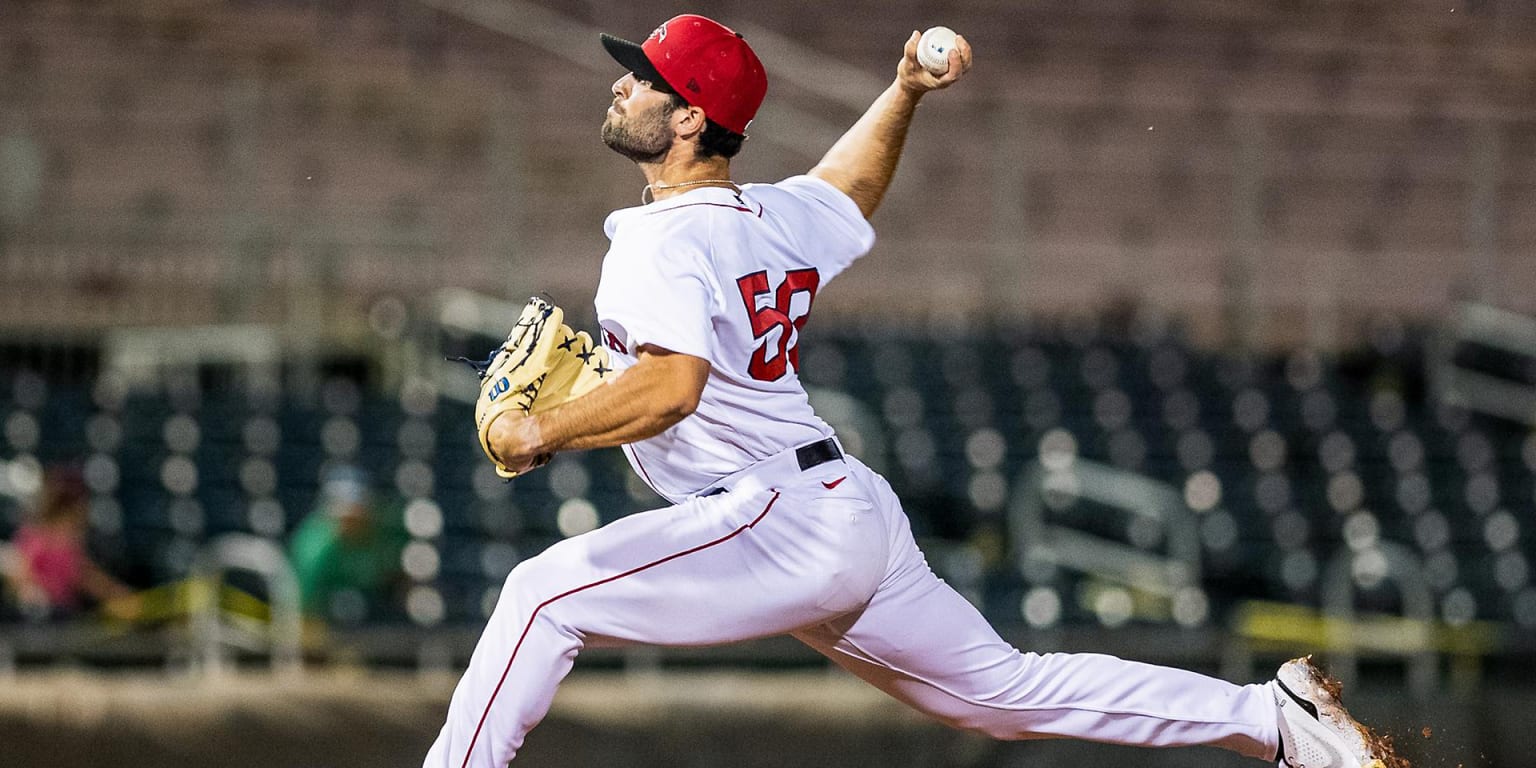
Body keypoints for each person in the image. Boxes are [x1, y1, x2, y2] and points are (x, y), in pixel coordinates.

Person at [426, 15, 1398, 768]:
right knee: (1000, 694)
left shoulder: (661, 243)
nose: (621, 82)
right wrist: (903, 93)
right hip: (836, 505)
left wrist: (535, 432)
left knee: (542, 596)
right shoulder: (761, 216)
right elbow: (846, 189)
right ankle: (1274, 722)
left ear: (688, 118)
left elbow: (673, 387)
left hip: (773, 519)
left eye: (645, 77)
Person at [2, 465, 138, 621]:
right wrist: (31, 591)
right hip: (35, 620)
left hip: (62, 619)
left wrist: (122, 597)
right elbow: (20, 574)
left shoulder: (72, 545)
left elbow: (88, 578)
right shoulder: (34, 537)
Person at [288, 466, 406, 621]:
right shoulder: (316, 548)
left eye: (359, 513)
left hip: (373, 618)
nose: (352, 522)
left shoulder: (383, 535)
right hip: (322, 619)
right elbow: (302, 603)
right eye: (346, 517)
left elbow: (396, 581)